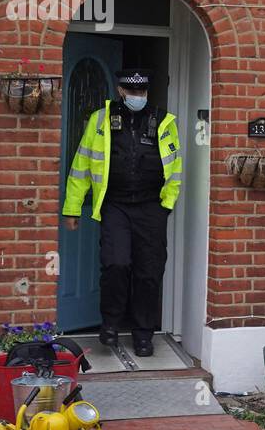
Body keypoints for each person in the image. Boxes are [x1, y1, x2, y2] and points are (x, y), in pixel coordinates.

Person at [62, 69, 182, 357]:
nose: (137, 97)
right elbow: (81, 166)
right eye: (132, 92)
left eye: (141, 92)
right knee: (116, 264)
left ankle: (143, 334)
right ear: (120, 91)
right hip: (114, 205)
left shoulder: (164, 121)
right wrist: (73, 207)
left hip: (150, 207)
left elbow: (175, 167)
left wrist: (166, 205)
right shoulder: (100, 120)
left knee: (149, 271)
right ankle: (111, 324)